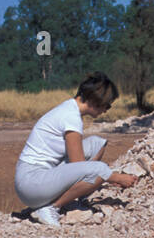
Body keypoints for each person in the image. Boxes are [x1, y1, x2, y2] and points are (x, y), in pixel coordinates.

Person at [15, 72, 138, 226]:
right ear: (96, 100)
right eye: (107, 104)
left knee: (97, 143)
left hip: (36, 177)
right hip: (31, 184)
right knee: (99, 169)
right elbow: (79, 165)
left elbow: (80, 165)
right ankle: (51, 208)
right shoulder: (71, 117)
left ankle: (76, 196)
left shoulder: (69, 108)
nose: (107, 109)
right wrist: (117, 178)